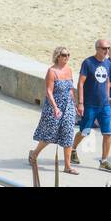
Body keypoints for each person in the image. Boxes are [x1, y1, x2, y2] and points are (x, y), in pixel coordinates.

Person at [29, 47, 79, 175]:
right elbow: (49, 91)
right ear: (58, 56)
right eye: (64, 55)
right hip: (54, 106)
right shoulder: (51, 71)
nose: (66, 57)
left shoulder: (69, 70)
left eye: (68, 55)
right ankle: (34, 154)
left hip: (68, 107)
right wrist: (55, 107)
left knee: (68, 134)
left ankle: (67, 166)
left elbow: (70, 89)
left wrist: (75, 105)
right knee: (49, 135)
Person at [71, 38, 111, 172]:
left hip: (104, 106)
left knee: (108, 133)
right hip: (90, 105)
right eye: (104, 48)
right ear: (97, 49)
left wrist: (107, 97)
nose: (106, 51)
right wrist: (80, 103)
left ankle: (104, 161)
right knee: (85, 131)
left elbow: (107, 80)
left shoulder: (108, 63)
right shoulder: (88, 63)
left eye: (108, 48)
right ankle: (73, 149)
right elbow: (80, 83)